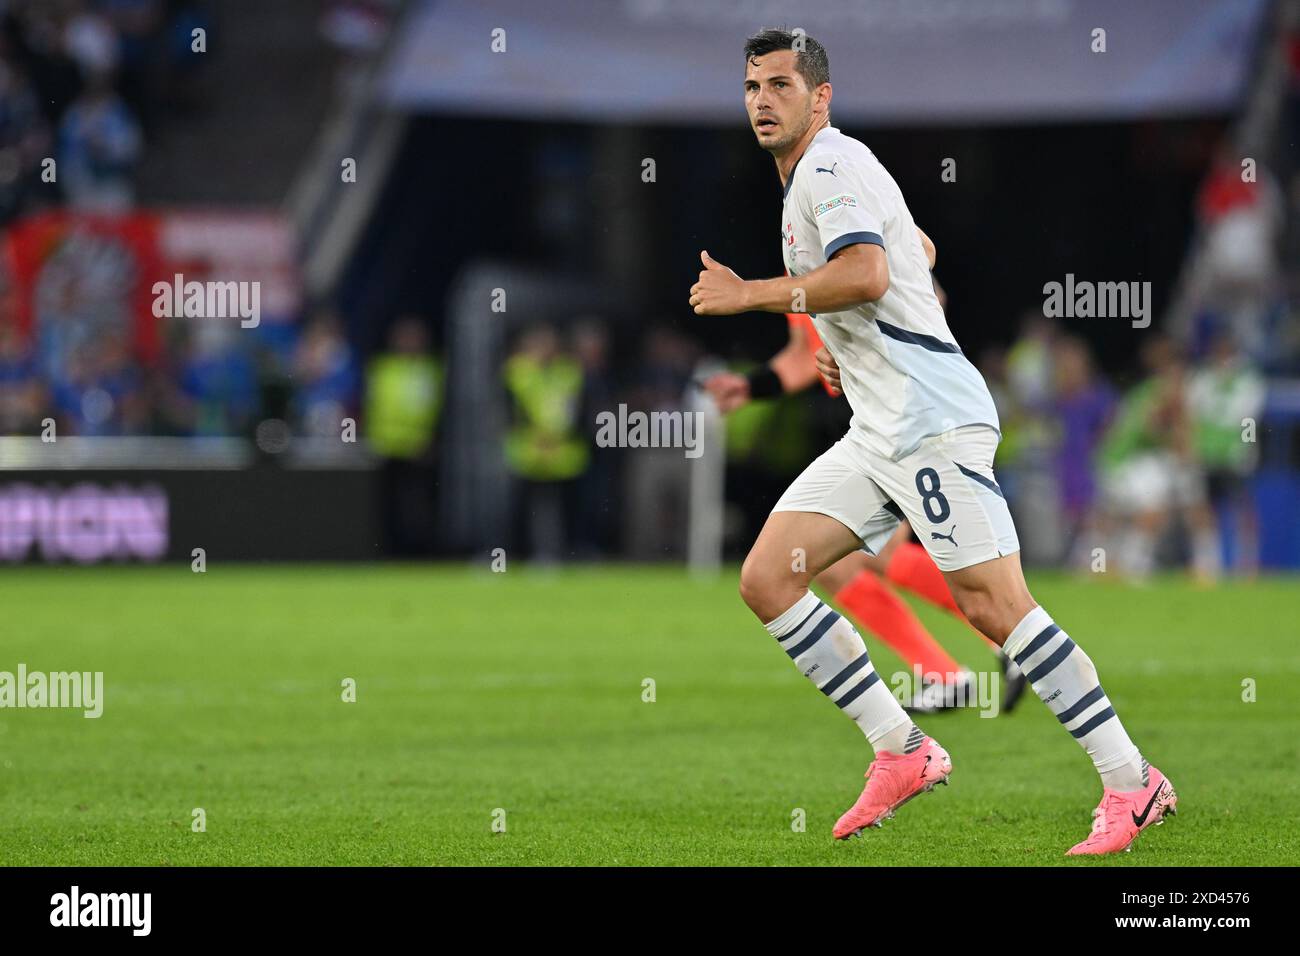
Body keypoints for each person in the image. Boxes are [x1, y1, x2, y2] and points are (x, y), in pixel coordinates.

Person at [687, 29, 1174, 853]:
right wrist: (846, 346)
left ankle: (1133, 781)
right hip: (879, 427)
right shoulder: (824, 174)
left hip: (930, 421)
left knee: (996, 606)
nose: (762, 101)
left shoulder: (830, 167)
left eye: (779, 85)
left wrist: (751, 297)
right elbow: (916, 253)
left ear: (820, 97)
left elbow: (872, 272)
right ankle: (902, 747)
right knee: (772, 577)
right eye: (751, 88)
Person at [703, 298, 1026, 716]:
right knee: (838, 567)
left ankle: (1011, 638)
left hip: (910, 419)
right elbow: (807, 352)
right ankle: (951, 670)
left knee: (880, 554)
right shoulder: (798, 255)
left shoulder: (853, 239)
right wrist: (753, 386)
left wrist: (747, 292)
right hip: (870, 429)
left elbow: (926, 293)